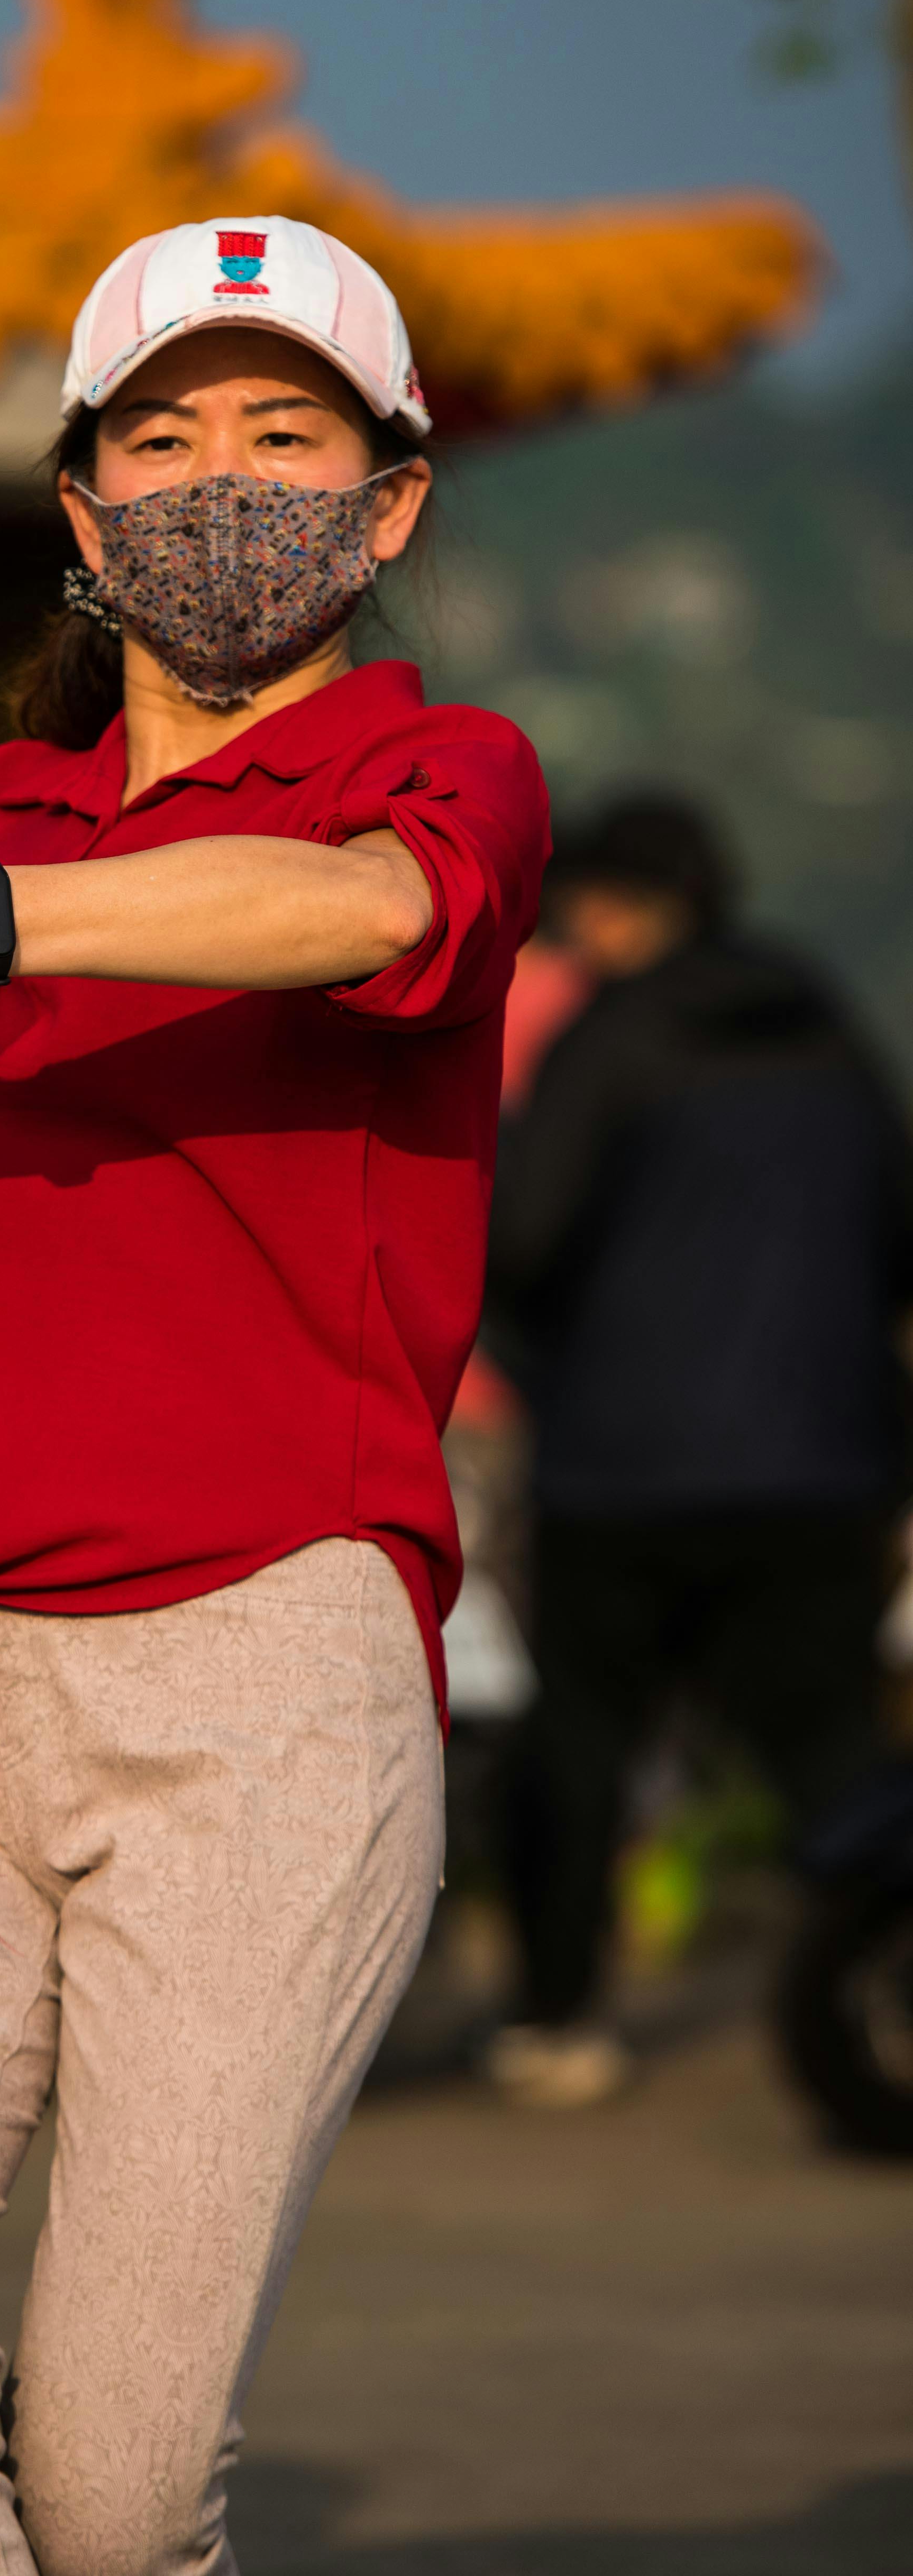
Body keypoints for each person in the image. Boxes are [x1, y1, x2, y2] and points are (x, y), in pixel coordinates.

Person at [0, 218, 551, 2576]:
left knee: (113, 2474)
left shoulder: (434, 770)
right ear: (76, 511)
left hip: (253, 1683)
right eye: (155, 440)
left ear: (389, 506)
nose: (218, 485)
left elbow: (345, 913)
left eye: (287, 437)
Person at [483, 794, 913, 2110]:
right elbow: (895, 1239)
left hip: (628, 1467)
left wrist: (553, 1375)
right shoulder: (829, 1026)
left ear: (612, 906)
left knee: (580, 1745)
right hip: (826, 1466)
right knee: (829, 1746)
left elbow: (521, 1238)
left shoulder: (612, 1037)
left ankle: (560, 2021)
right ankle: (879, 1972)